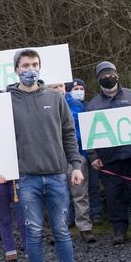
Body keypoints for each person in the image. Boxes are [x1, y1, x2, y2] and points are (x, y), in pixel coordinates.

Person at [4, 49, 85, 262]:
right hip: (26, 177)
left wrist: (75, 165)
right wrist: (0, 167)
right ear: (16, 69)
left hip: (57, 174)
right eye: (25, 64)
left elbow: (68, 133)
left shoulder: (55, 96)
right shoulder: (5, 101)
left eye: (35, 64)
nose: (30, 69)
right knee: (34, 231)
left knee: (62, 229)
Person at [85, 61, 131, 243]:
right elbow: (88, 133)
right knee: (114, 196)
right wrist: (93, 156)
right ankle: (119, 230)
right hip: (109, 159)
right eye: (103, 75)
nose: (108, 77)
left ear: (117, 74)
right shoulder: (93, 105)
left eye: (110, 73)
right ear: (98, 79)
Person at [53, 81, 94, 242]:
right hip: (54, 157)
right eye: (54, 87)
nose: (58, 89)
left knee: (80, 193)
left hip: (75, 154)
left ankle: (84, 227)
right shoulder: (42, 105)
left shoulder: (77, 105)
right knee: (57, 194)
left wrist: (83, 154)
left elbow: (83, 129)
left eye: (61, 86)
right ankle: (60, 228)